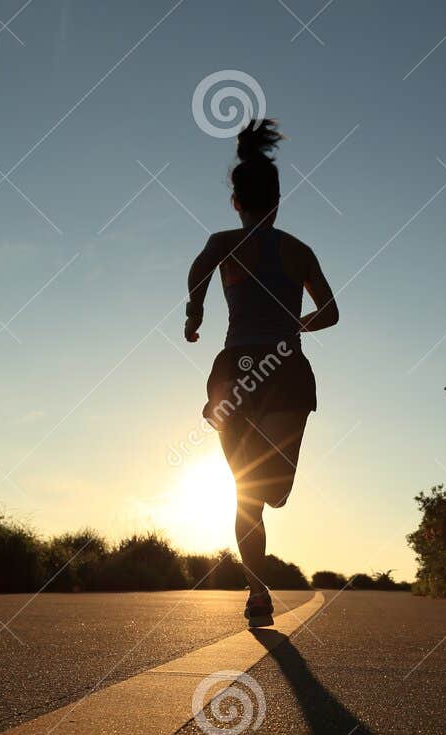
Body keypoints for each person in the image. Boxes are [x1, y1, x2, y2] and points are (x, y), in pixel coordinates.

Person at [185, 119, 339, 628]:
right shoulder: (297, 250)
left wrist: (196, 312)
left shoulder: (224, 241)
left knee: (255, 494)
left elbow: (199, 269)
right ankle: (258, 593)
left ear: (236, 202)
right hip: (284, 368)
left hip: (239, 368)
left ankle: (256, 586)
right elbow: (332, 311)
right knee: (257, 493)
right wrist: (299, 322)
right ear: (277, 201)